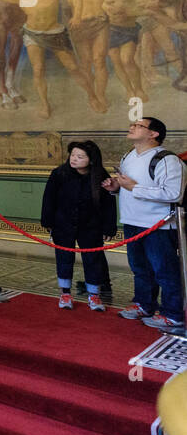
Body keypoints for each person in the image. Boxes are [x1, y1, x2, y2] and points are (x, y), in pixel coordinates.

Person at [105, 116, 185, 332]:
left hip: (157, 225)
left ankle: (173, 315)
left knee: (165, 271)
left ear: (153, 134)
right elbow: (128, 187)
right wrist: (115, 187)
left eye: (139, 125)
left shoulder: (167, 159)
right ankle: (144, 305)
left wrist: (133, 187)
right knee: (140, 269)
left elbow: (173, 193)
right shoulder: (128, 156)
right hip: (132, 221)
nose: (132, 127)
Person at [41, 141, 117, 311]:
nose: (74, 159)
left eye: (80, 156)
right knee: (64, 258)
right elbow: (49, 199)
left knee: (93, 260)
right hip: (63, 224)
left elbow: (108, 203)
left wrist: (109, 227)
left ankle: (94, 295)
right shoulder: (59, 173)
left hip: (91, 225)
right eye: (73, 155)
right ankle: (65, 293)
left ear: (91, 160)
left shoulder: (100, 176)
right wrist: (47, 222)